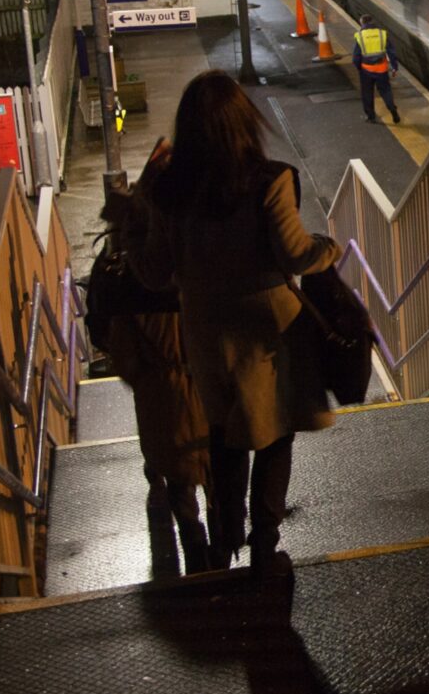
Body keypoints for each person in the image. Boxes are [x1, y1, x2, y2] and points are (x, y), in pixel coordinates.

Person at [134, 71, 340, 579]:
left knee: (225, 436)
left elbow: (155, 272)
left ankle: (225, 543)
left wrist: (142, 200)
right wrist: (329, 248)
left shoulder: (169, 193)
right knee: (275, 435)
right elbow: (294, 255)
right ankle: (265, 546)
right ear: (243, 123)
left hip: (206, 332)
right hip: (267, 331)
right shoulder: (271, 180)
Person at [92, 156, 213, 574]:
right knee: (217, 466)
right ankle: (224, 544)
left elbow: (124, 355)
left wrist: (148, 376)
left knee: (176, 477)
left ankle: (194, 546)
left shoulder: (132, 279)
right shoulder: (201, 261)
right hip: (210, 386)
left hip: (161, 394)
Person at [353, 13, 401, 124]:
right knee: (386, 91)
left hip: (366, 70)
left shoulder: (359, 36)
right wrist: (394, 67)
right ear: (372, 22)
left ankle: (371, 117)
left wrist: (359, 67)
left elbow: (356, 56)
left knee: (367, 93)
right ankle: (392, 109)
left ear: (362, 23)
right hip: (382, 69)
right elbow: (391, 53)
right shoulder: (382, 34)